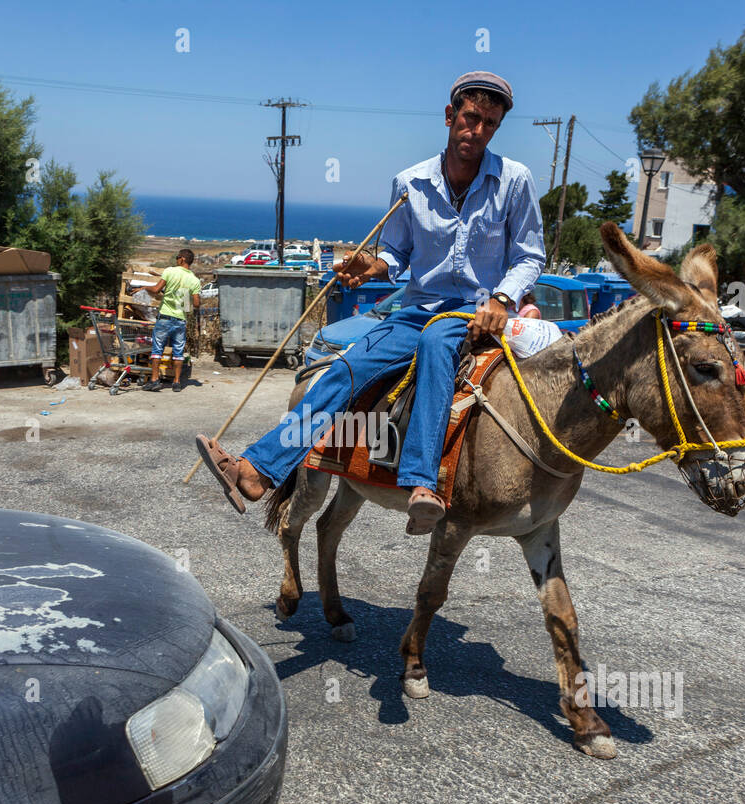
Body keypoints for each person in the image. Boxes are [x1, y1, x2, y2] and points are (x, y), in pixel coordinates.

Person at [197, 71, 545, 534]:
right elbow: (397, 255)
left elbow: (529, 255)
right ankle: (258, 471)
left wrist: (502, 298)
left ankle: (422, 484)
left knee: (438, 342)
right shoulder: (409, 183)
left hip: (476, 310)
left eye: (489, 123)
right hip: (418, 309)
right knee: (345, 368)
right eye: (470, 117)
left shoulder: (514, 181)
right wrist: (372, 266)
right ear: (450, 115)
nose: (477, 130)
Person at [142, 248, 201, 393]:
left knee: (157, 350)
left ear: (182, 259)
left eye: (177, 257)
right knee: (178, 352)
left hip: (165, 317)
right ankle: (177, 382)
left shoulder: (170, 271)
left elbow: (156, 289)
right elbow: (196, 303)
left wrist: (144, 287)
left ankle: (154, 380)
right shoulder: (194, 280)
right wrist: (184, 298)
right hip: (180, 320)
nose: (176, 260)